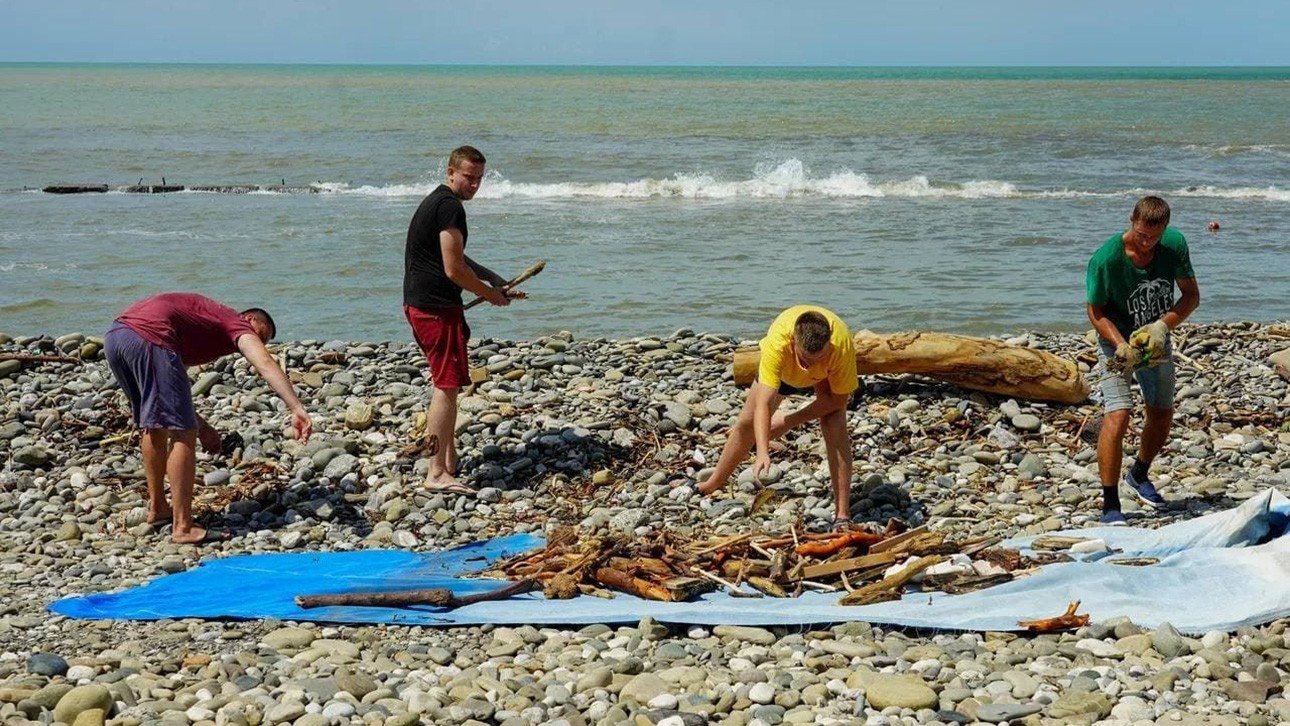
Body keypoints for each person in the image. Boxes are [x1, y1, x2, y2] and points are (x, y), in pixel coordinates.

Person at [103, 292, 313, 543]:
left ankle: (158, 508)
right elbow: (265, 363)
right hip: (148, 334)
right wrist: (296, 407)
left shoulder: (202, 329)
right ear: (249, 318)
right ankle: (182, 526)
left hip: (117, 336)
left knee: (154, 423)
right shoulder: (234, 321)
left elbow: (170, 400)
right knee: (182, 432)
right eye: (261, 334)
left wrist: (202, 426)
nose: (260, 342)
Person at [403, 145, 522, 495]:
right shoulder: (450, 206)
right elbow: (453, 269)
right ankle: (436, 473)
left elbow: (454, 255)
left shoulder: (438, 203)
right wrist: (490, 295)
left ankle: (448, 462)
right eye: (468, 177)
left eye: (479, 179)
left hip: (423, 304)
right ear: (451, 172)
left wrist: (492, 278)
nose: (473, 185)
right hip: (435, 308)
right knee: (446, 385)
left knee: (447, 384)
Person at [1086, 196, 1200, 524]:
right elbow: (1094, 312)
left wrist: (1162, 326)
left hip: (1152, 340)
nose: (1147, 242)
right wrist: (1120, 344)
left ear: (1165, 230)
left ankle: (1138, 474)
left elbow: (1191, 295)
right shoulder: (1106, 259)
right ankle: (1110, 504)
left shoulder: (1174, 245)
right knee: (1118, 413)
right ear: (1131, 221)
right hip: (1117, 342)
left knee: (1162, 413)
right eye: (1141, 234)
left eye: (1154, 236)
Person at [696, 305, 859, 524]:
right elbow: (763, 404)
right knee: (747, 421)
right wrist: (762, 452)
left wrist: (787, 421)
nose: (812, 365)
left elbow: (838, 400)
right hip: (786, 372)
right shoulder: (778, 343)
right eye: (807, 361)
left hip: (827, 378)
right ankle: (713, 482)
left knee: (835, 426)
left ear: (828, 345)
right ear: (793, 343)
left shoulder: (841, 347)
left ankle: (842, 514)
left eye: (819, 358)